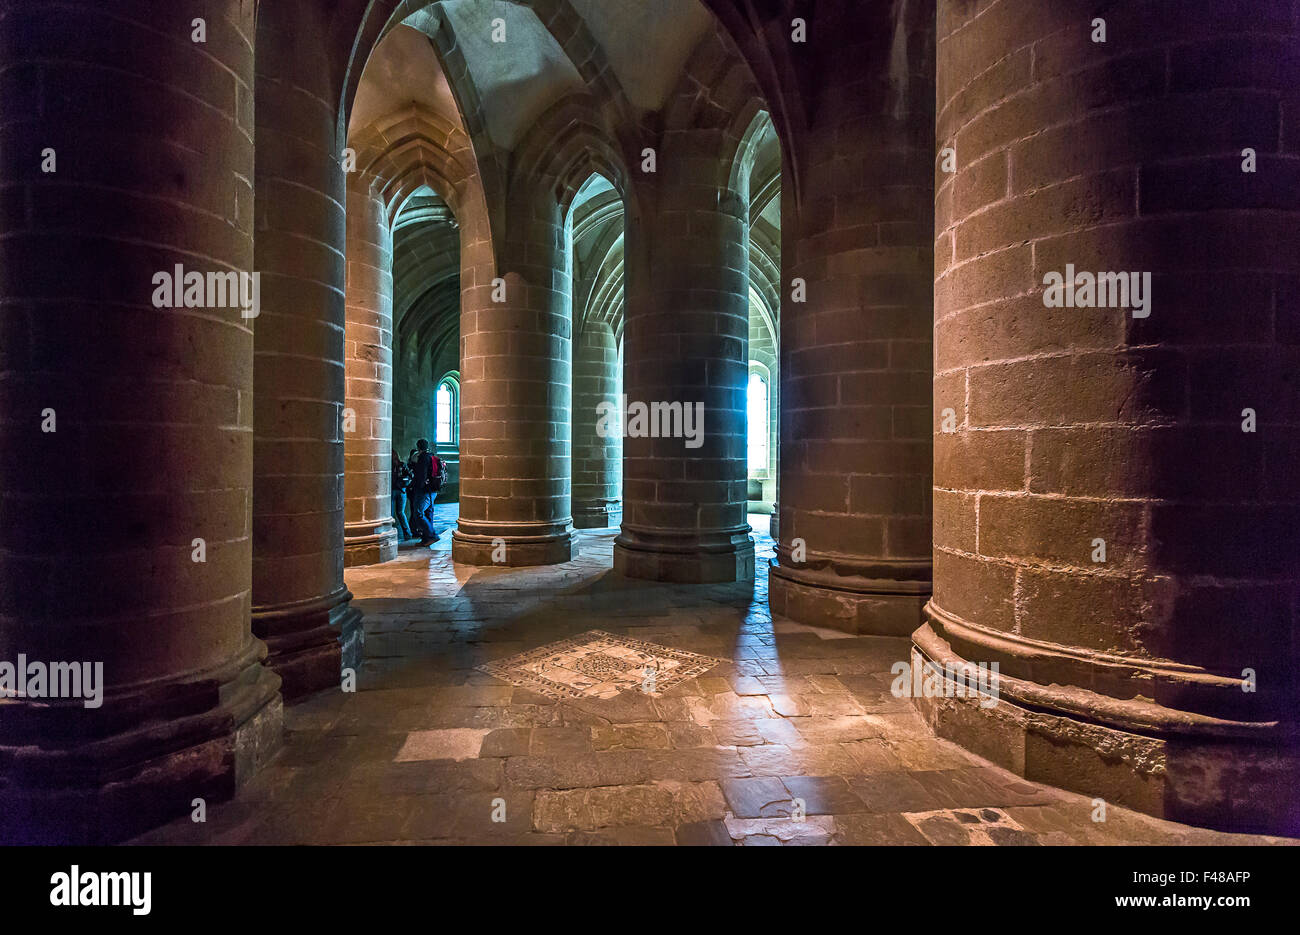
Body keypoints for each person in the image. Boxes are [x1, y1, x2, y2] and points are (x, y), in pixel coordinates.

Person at [409, 439, 441, 544]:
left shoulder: (422, 458)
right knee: (428, 513)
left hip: (424, 490)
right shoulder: (432, 456)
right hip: (433, 489)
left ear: (418, 447)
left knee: (418, 513)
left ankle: (431, 535)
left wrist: (416, 487)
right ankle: (426, 538)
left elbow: (421, 476)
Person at [391, 452, 413, 541]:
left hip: (392, 490)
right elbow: (410, 476)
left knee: (390, 514)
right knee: (401, 513)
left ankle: (390, 534)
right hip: (402, 490)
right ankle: (407, 534)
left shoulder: (388, 465)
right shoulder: (402, 464)